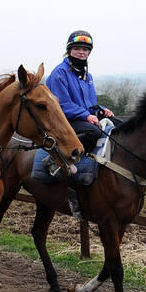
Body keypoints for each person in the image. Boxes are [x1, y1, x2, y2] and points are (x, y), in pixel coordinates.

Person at [45, 30, 118, 221]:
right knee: (94, 133)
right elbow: (61, 104)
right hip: (64, 120)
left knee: (117, 127)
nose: (81, 52)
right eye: (77, 49)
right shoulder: (59, 73)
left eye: (85, 49)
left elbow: (89, 103)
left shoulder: (87, 76)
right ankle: (58, 159)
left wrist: (100, 110)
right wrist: (87, 116)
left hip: (81, 118)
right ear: (69, 51)